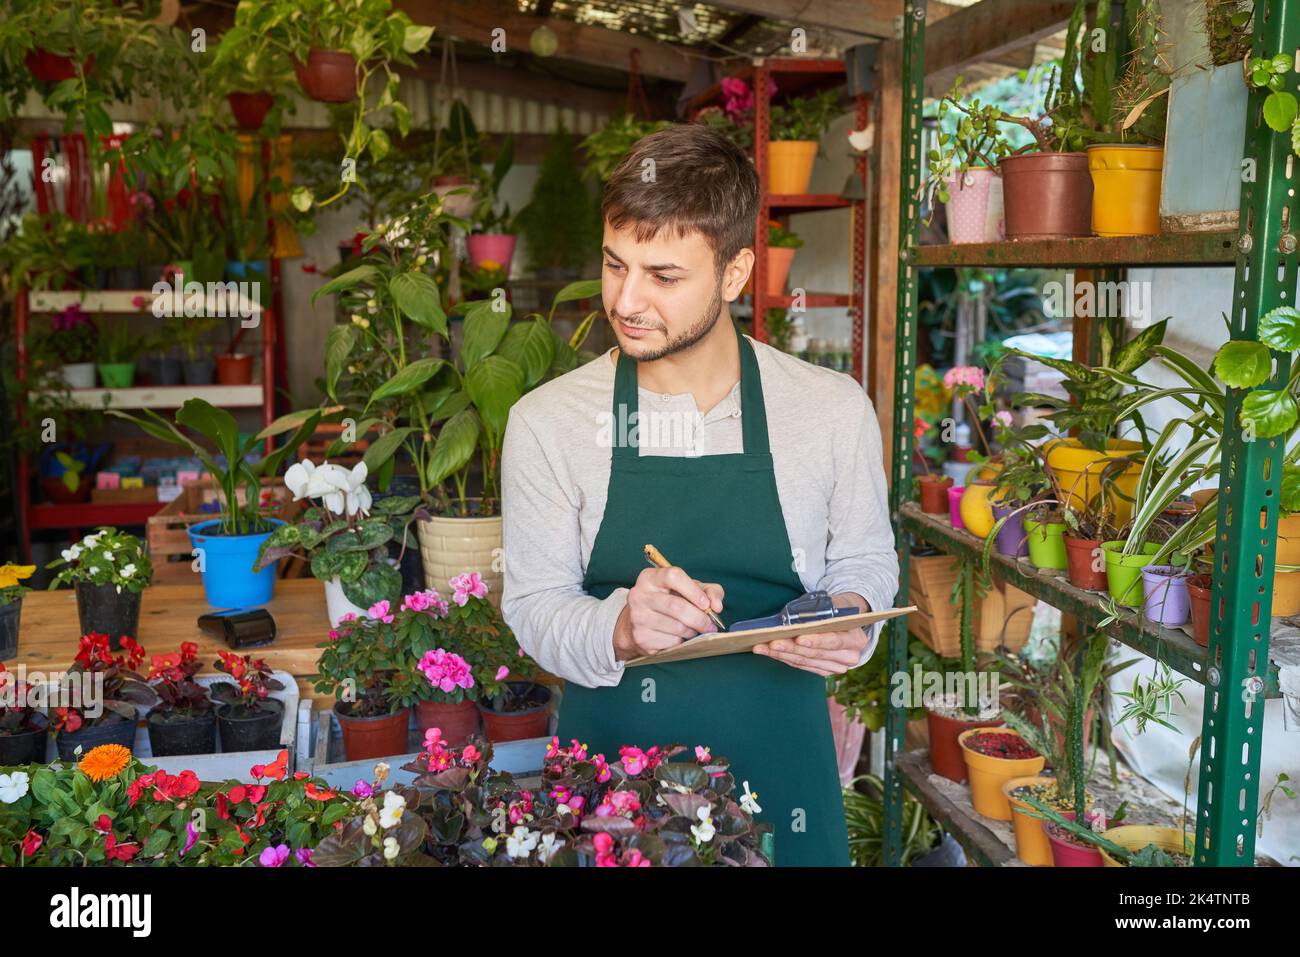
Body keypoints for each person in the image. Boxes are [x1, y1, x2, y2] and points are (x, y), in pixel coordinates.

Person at [500, 124, 898, 866]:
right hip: (614, 789)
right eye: (616, 264)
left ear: (737, 271)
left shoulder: (830, 408)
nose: (627, 299)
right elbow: (532, 607)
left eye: (664, 276)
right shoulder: (549, 422)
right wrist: (619, 625)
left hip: (787, 774)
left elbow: (867, 563)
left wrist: (852, 619)